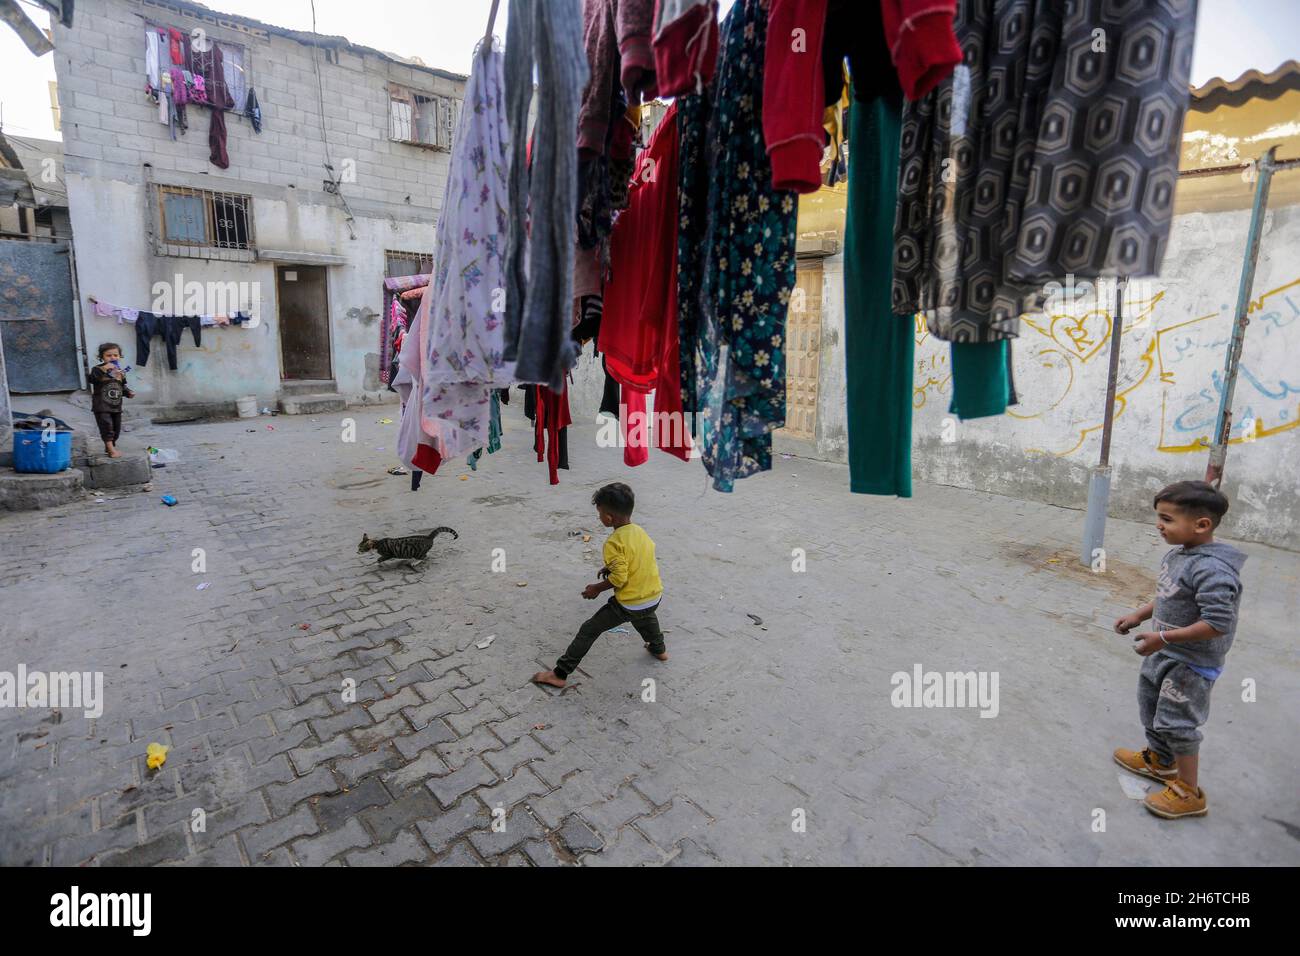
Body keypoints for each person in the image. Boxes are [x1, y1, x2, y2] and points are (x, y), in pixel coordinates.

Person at [1113, 480, 1247, 819]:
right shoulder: (1179, 554)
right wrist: (1139, 614)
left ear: (1201, 525)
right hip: (1165, 653)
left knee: (1178, 724)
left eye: (1167, 519)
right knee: (1152, 707)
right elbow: (1168, 595)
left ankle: (1190, 793)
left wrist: (1164, 639)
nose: (1159, 525)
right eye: (1159, 517)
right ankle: (1161, 761)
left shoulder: (1213, 569)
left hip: (1191, 664)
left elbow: (1218, 623)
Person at [533, 482, 666, 688]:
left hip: (629, 603)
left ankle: (559, 674)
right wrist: (610, 568)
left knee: (589, 630)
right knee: (646, 616)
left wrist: (596, 588)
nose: (599, 517)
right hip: (654, 596)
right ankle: (659, 649)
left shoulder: (613, 542)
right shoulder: (640, 532)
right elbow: (635, 560)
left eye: (600, 513)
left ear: (609, 517)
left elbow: (620, 579)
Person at [89, 343, 135, 458]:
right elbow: (92, 380)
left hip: (116, 405)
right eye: (108, 355)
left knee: (116, 429)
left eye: (115, 355)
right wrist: (104, 370)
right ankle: (111, 451)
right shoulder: (97, 369)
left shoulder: (120, 372)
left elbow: (122, 386)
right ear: (102, 357)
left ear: (120, 356)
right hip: (102, 405)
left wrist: (128, 392)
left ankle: (109, 447)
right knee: (107, 427)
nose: (112, 358)